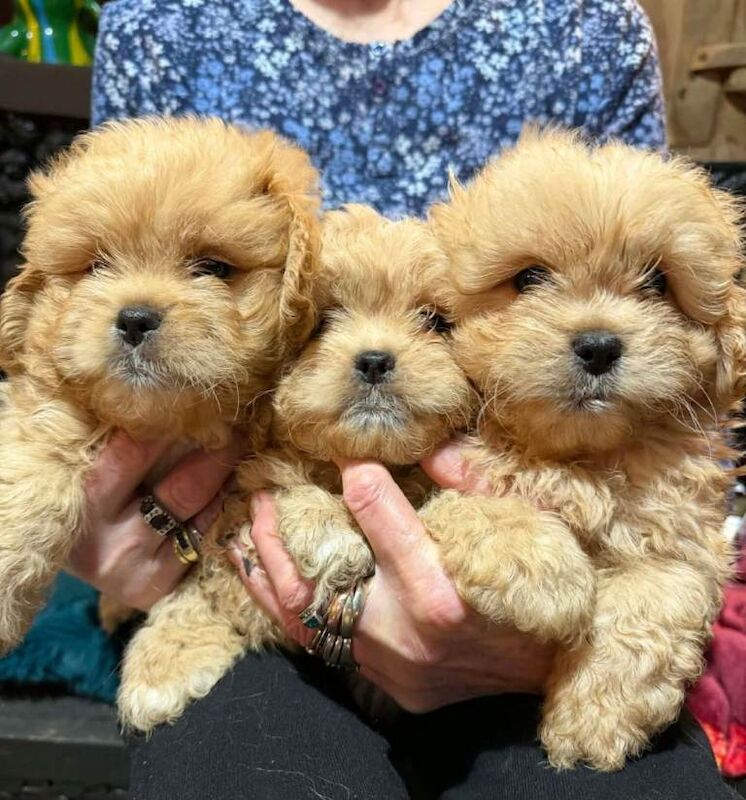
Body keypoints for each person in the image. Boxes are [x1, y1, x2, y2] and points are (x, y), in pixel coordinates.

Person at [76, 1, 736, 797]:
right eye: (530, 280)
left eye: (434, 321)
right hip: (249, 563)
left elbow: (663, 238)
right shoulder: (163, 22)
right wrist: (117, 537)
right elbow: (96, 313)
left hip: (536, 629)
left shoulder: (587, 24)